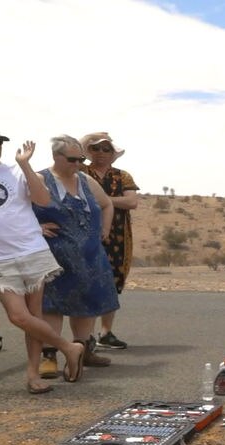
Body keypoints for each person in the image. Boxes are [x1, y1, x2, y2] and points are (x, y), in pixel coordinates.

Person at [0, 122, 86, 393]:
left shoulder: (15, 171)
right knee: (19, 316)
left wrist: (25, 166)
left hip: (32, 250)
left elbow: (43, 200)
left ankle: (33, 376)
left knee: (34, 315)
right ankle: (69, 347)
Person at [34, 135, 119, 377]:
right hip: (53, 257)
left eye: (81, 159)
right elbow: (15, 211)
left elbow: (107, 204)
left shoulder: (86, 181)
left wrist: (104, 229)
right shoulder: (40, 180)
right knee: (51, 307)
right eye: (72, 159)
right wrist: (35, 228)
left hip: (90, 257)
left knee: (86, 306)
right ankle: (49, 357)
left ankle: (82, 353)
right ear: (56, 157)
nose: (78, 164)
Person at [81, 132, 138, 350]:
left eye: (106, 149)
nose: (101, 153)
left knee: (113, 282)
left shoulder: (123, 176)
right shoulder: (79, 170)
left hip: (118, 235)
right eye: (95, 148)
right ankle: (86, 335)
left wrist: (102, 200)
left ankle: (105, 332)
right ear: (88, 151)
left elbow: (132, 202)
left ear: (113, 154)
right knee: (88, 282)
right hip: (85, 233)